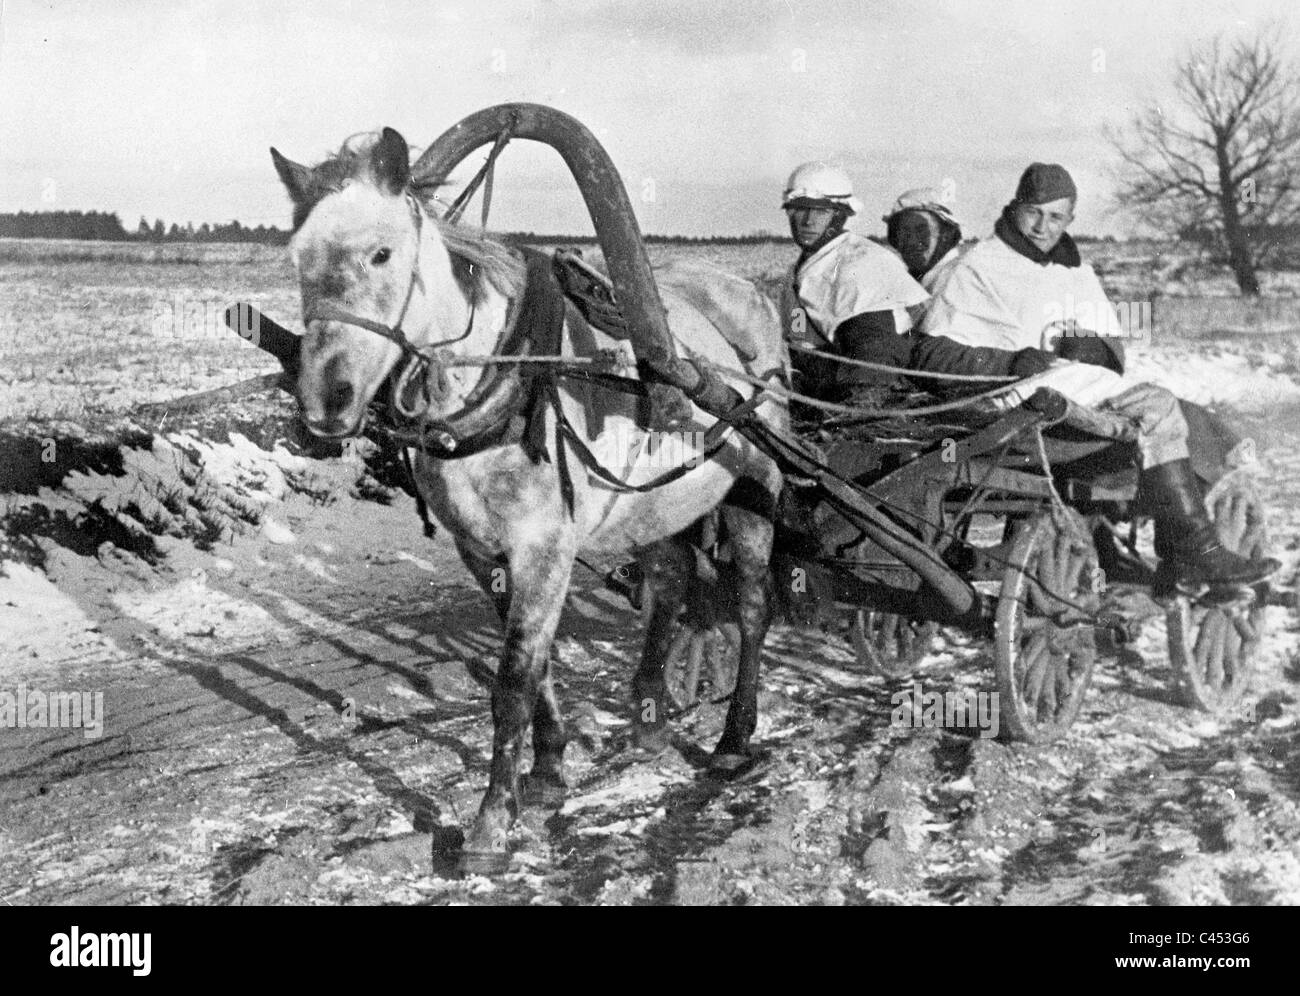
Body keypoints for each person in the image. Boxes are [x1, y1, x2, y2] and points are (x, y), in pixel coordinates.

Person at [913, 162, 1277, 589]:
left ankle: (1170, 549)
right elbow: (932, 351)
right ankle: (1196, 549)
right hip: (1014, 399)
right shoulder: (982, 266)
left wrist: (1095, 346)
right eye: (1033, 213)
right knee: (1158, 407)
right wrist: (1009, 362)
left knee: (1179, 413)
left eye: (1056, 217)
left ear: (1070, 219)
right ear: (1014, 209)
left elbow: (1112, 344)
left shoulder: (1074, 270)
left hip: (1070, 384)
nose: (1041, 227)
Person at [780, 162, 929, 406]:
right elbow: (799, 337)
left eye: (820, 211)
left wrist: (860, 405)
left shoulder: (861, 263)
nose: (807, 221)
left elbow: (876, 347)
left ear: (840, 215)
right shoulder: (797, 273)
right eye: (799, 209)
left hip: (866, 384)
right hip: (817, 381)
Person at [883, 187, 965, 291]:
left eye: (921, 231)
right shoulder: (914, 283)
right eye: (905, 233)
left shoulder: (959, 282)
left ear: (946, 234)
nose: (912, 242)